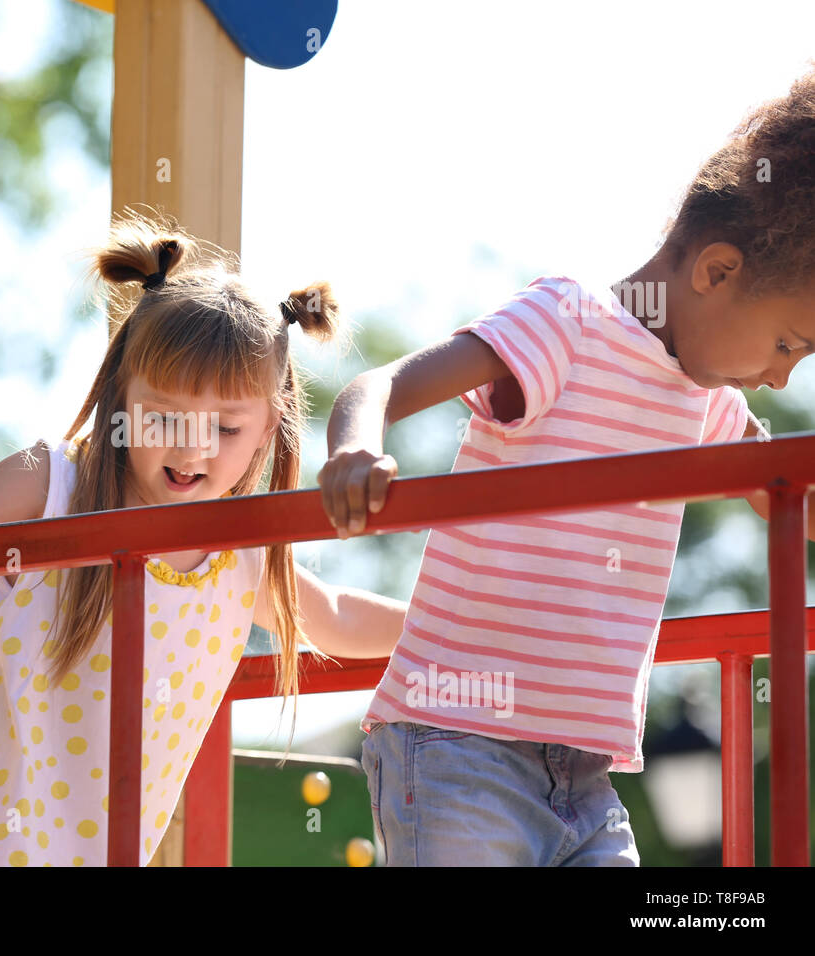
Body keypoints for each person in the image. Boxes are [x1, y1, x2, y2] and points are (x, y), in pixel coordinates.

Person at [319, 69, 815, 866]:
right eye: (788, 343)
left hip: (583, 781)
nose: (783, 376)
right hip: (458, 746)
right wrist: (354, 448)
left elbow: (792, 492)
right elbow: (376, 385)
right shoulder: (569, 325)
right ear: (718, 272)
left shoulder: (704, 400)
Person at [0, 211, 410, 866]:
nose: (191, 445)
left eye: (226, 428)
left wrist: (456, 624)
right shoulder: (51, 487)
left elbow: (336, 618)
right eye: (163, 416)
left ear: (268, 429)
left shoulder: (237, 554)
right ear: (123, 398)